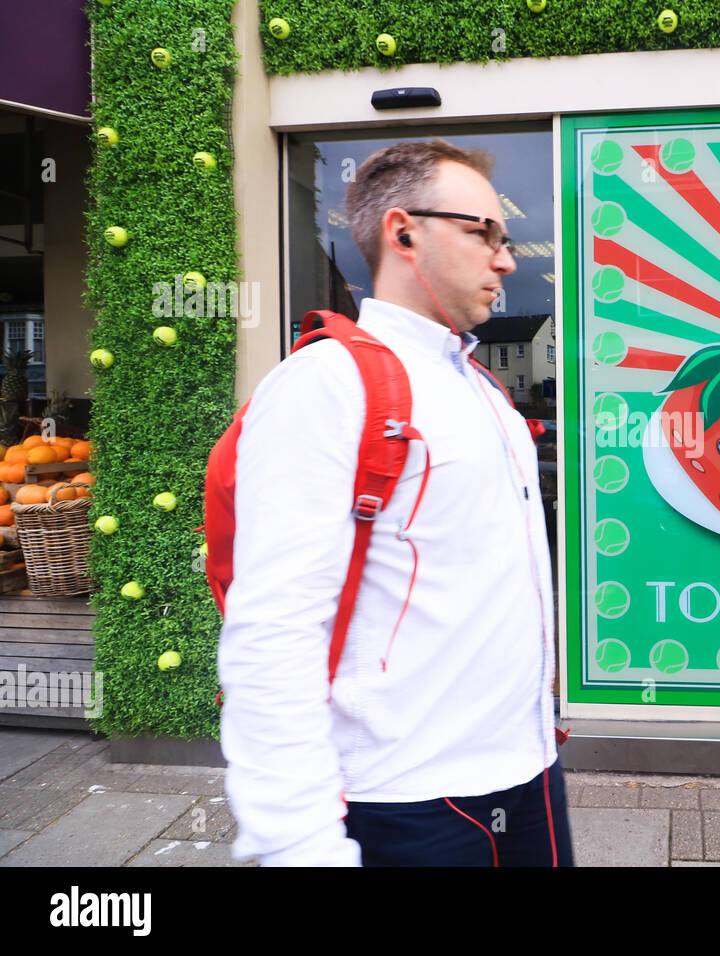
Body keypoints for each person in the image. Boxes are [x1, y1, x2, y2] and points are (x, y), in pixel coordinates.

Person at [218, 140, 571, 867]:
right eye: (486, 233)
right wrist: (299, 845)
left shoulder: (482, 389)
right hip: (409, 806)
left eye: (505, 239)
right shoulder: (326, 384)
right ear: (404, 231)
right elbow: (273, 632)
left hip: (529, 776)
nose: (505, 259)